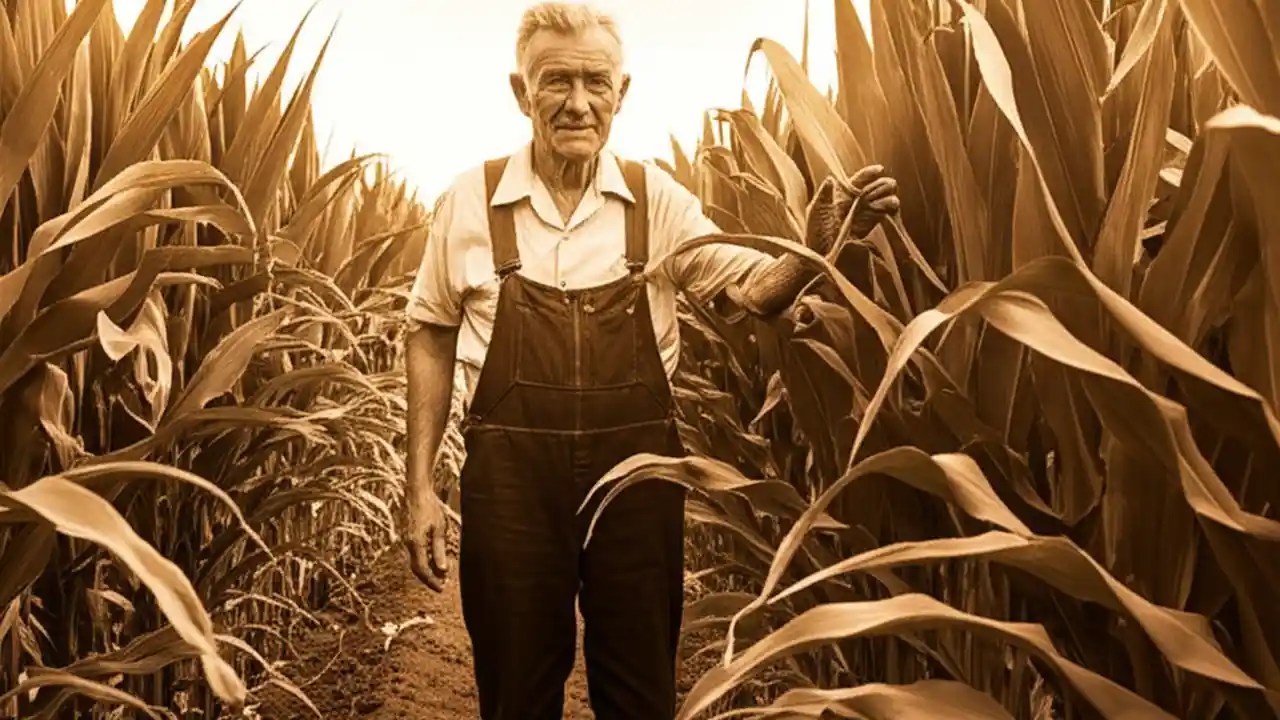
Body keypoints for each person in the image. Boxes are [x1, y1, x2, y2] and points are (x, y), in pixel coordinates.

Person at [399, 3, 899, 718]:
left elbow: (753, 290)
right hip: (509, 489)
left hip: (635, 488)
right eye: (556, 81)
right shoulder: (471, 203)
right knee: (513, 692)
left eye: (596, 83)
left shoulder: (654, 202)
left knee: (639, 694)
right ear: (521, 92)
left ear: (621, 93)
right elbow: (430, 329)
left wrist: (815, 250)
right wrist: (419, 485)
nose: (578, 103)